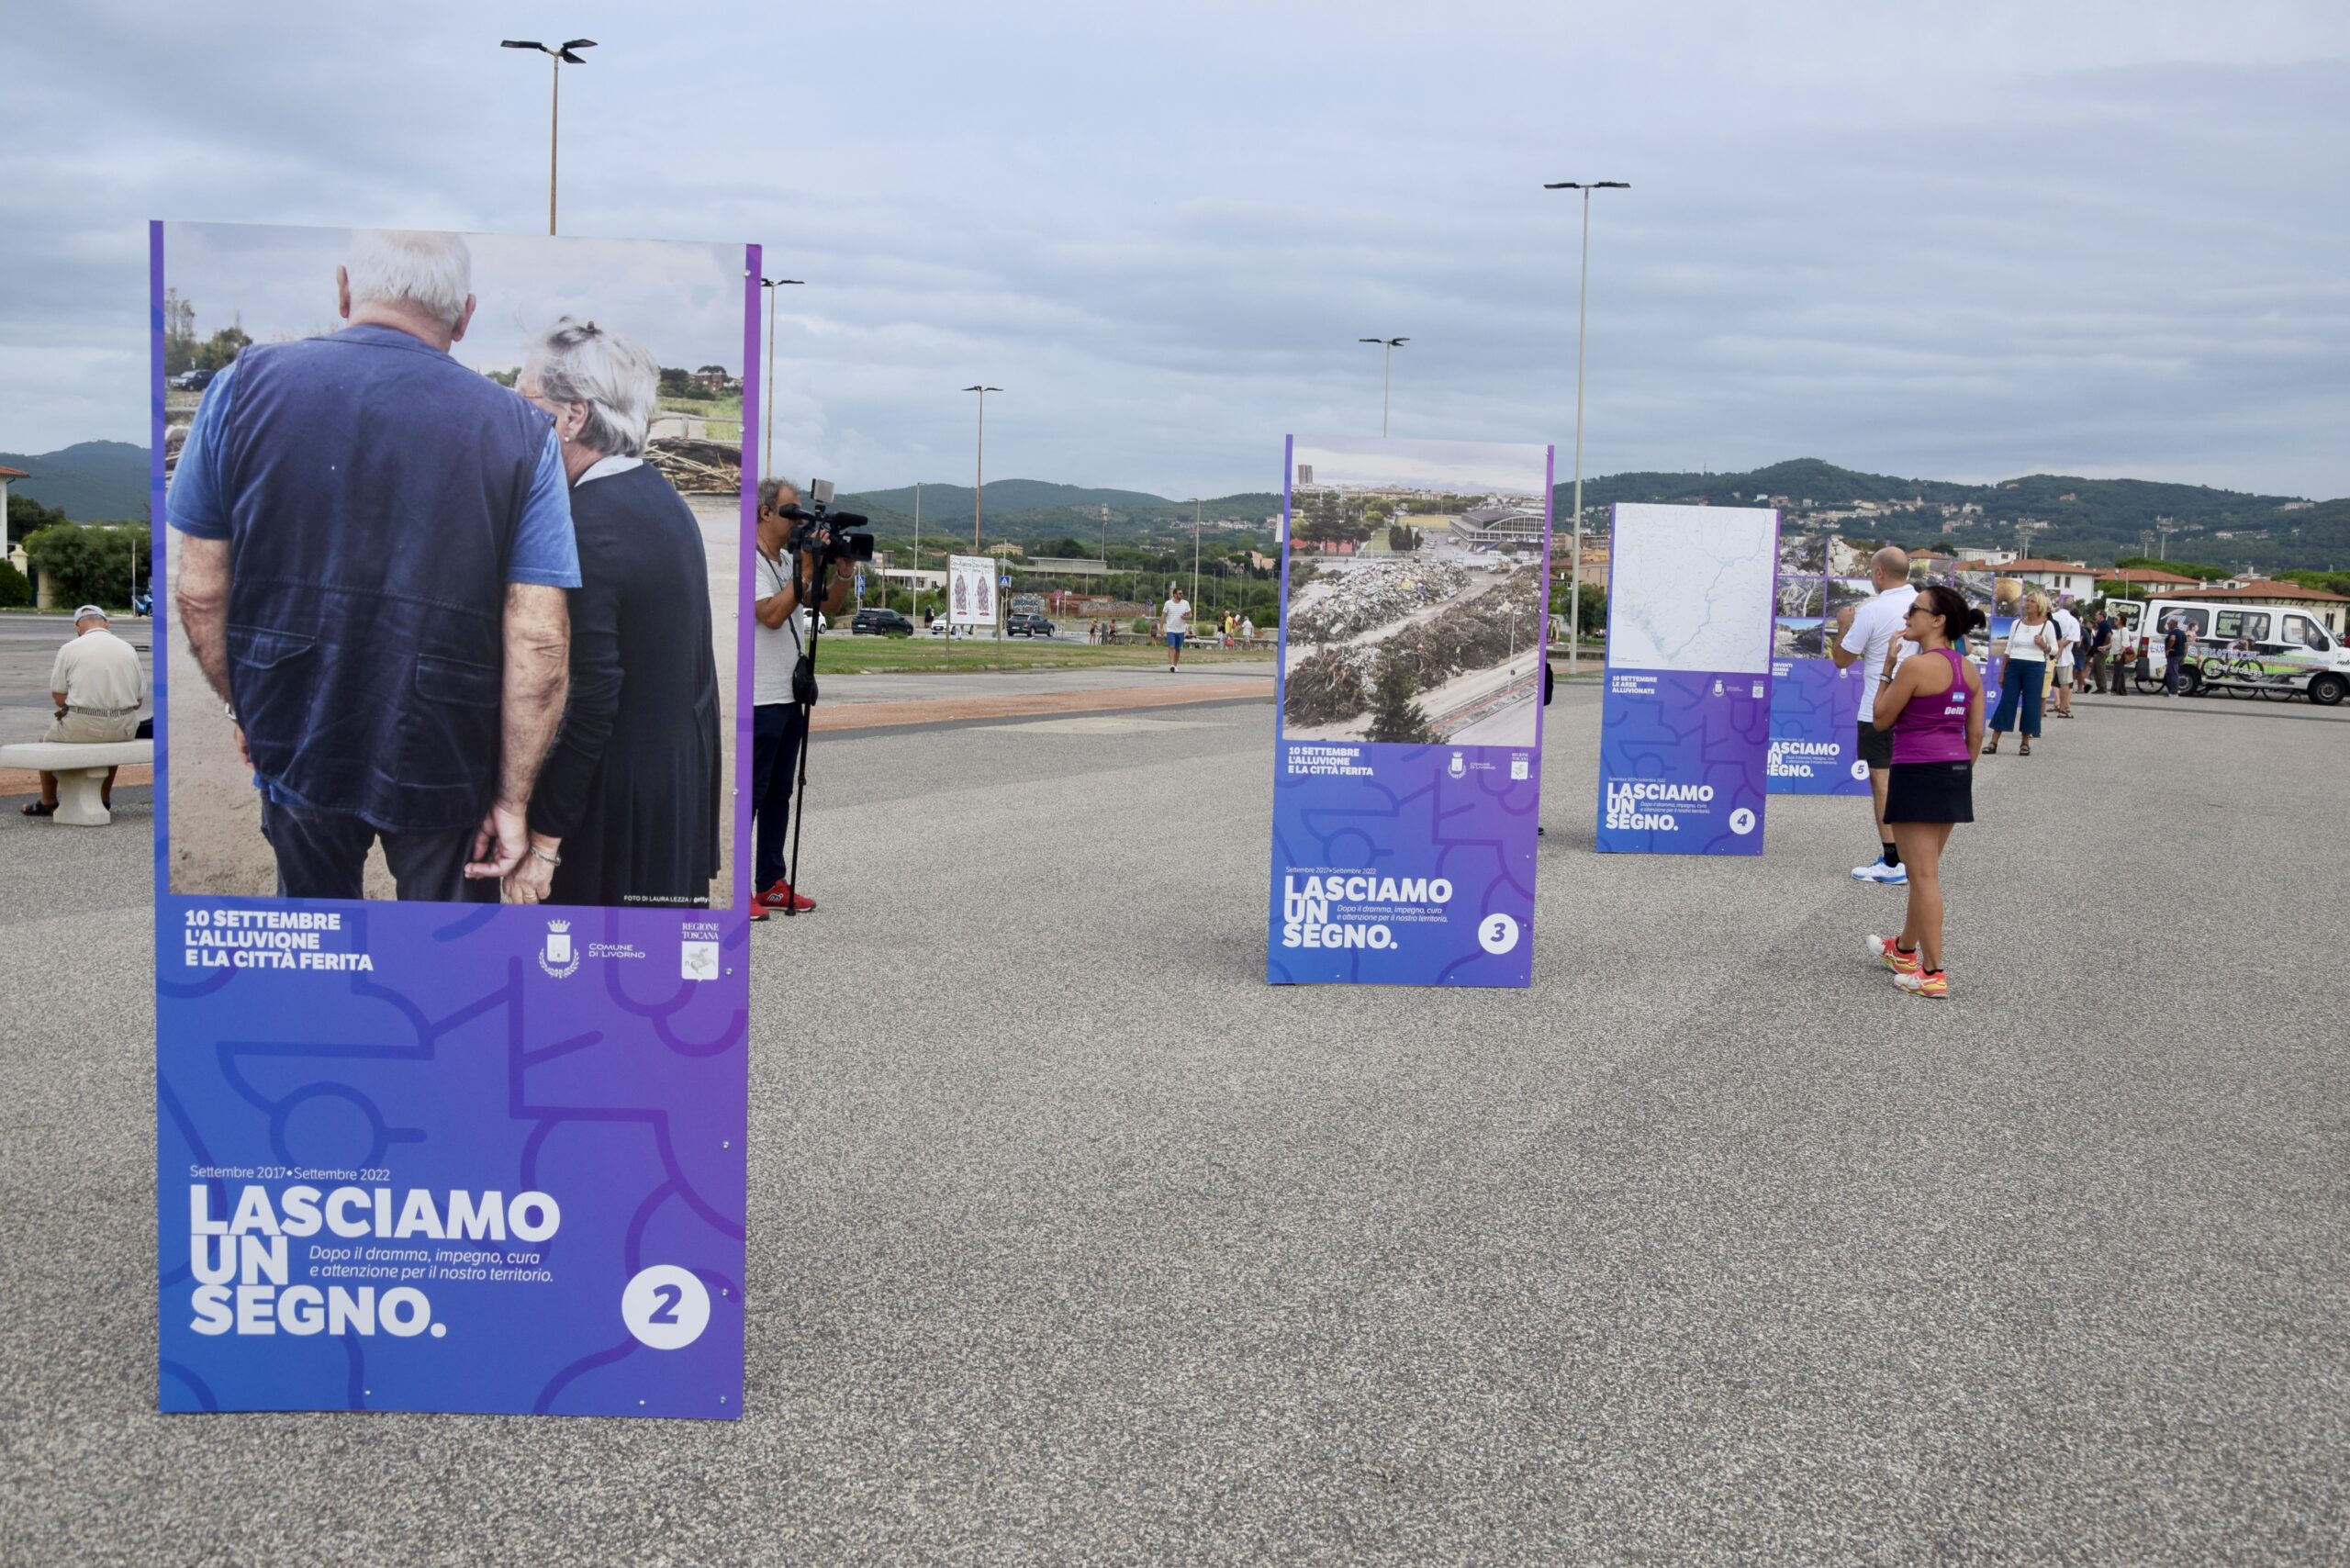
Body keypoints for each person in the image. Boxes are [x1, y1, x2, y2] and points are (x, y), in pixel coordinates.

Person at [170, 230, 576, 901]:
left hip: (291, 717)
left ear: (343, 288)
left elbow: (201, 591)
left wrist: (243, 708)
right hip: (446, 741)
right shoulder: (521, 430)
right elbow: (540, 638)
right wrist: (512, 800)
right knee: (440, 960)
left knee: (319, 940)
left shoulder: (239, 389)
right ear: (465, 315)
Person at [497, 319, 721, 911]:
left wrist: (544, 841)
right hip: (668, 804)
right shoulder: (660, 500)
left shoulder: (586, 525)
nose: (514, 420)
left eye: (525, 402)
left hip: (610, 822)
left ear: (572, 416)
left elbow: (589, 702)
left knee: (586, 995)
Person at [1864, 584, 1984, 1001]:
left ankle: (1932, 973)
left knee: (1924, 876)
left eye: (1915, 610)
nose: (1907, 617)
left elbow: (1880, 719)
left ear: (1938, 620)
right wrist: (1956, 769)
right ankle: (1904, 950)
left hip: (1918, 771)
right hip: (1953, 772)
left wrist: (1886, 667)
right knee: (1924, 873)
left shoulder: (1916, 668)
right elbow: (1976, 735)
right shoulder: (1968, 669)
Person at [744, 476, 853, 920]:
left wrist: (842, 569)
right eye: (792, 512)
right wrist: (806, 568)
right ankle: (734, 888)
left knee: (779, 794)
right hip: (757, 697)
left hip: (788, 698)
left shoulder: (787, 559)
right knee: (748, 794)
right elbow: (770, 615)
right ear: (765, 511)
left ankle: (770, 882)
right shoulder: (746, 560)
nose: (799, 522)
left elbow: (826, 605)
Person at [1830, 546, 1917, 884]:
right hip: (1917, 707)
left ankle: (1893, 862)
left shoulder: (1872, 610)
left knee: (1882, 782)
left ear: (1879, 573)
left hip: (1878, 707)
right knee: (1909, 781)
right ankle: (1913, 858)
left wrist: (1843, 625)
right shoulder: (1924, 604)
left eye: (1870, 571)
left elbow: (1842, 659)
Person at [22, 605, 147, 819]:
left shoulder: (70, 648)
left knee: (45, 742)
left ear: (78, 628)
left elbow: (58, 697)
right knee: (112, 742)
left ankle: (48, 801)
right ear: (107, 623)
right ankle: (104, 797)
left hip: (82, 724)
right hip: (123, 726)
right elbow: (137, 701)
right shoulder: (128, 649)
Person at [1985, 592, 2057, 756]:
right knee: (2006, 702)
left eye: (2032, 601)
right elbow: (2008, 649)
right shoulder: (2016, 624)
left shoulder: (2047, 625)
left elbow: (2055, 650)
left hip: (2035, 666)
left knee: (2031, 704)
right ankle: (1993, 742)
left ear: (2039, 605)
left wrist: (2043, 644)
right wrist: (2002, 672)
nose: (2028, 604)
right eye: (2027, 601)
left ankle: (2025, 743)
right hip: (2014, 666)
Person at [2050, 596, 2082, 719]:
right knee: (2065, 683)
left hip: (2049, 653)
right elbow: (2071, 639)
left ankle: (2041, 710)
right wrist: (2061, 646)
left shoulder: (2052, 617)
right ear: (2072, 607)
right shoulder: (2073, 621)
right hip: (2065, 656)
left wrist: (2053, 646)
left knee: (2046, 682)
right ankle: (2063, 709)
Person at [1162, 584, 1192, 671]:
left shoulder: (1185, 603)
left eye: (1182, 593)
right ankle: (1171, 665)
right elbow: (1163, 615)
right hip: (1171, 629)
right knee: (1171, 646)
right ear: (1174, 594)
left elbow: (1190, 615)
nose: (1181, 595)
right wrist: (1161, 628)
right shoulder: (1168, 603)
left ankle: (1175, 665)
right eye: (1180, 593)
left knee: (1178, 649)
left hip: (1181, 630)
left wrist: (1186, 617)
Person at [2087, 610, 2113, 696]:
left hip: (2101, 652)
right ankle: (2100, 687)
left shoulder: (2104, 624)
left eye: (2096, 615)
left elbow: (2109, 635)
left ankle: (2102, 688)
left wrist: (2104, 647)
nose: (2095, 617)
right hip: (2097, 651)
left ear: (2102, 616)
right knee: (2096, 669)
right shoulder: (2101, 625)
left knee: (2100, 669)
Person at [2163, 616, 2191, 696]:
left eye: (2169, 624)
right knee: (2168, 674)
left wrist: (2168, 649)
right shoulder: (2182, 633)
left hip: (2173, 655)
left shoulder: (2173, 632)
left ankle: (2174, 692)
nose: (2168, 625)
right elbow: (2186, 646)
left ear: (2173, 624)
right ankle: (2171, 689)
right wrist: (2183, 657)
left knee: (2173, 673)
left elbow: (2172, 639)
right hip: (2180, 655)